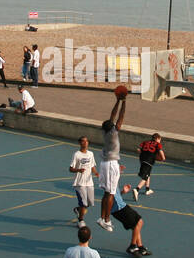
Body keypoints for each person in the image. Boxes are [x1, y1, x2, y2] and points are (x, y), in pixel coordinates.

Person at [97, 94, 127, 232]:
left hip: (105, 163)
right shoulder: (114, 133)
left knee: (106, 193)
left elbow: (112, 115)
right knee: (110, 193)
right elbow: (120, 117)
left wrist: (117, 100)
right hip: (110, 164)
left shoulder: (106, 131)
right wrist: (124, 101)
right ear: (112, 127)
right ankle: (107, 220)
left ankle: (102, 218)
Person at [112, 184, 151, 257]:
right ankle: (132, 246)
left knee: (135, 226)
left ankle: (140, 247)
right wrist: (105, 217)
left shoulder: (114, 179)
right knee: (139, 222)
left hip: (120, 206)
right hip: (119, 208)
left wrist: (122, 192)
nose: (121, 171)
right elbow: (108, 197)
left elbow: (115, 196)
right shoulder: (110, 180)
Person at [70, 136, 96, 226]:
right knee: (83, 203)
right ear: (80, 143)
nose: (85, 143)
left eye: (86, 141)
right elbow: (71, 169)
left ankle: (78, 209)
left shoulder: (91, 154)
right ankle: (80, 220)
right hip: (80, 183)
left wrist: (97, 173)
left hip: (89, 182)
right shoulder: (76, 154)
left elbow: (92, 166)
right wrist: (78, 170)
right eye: (83, 141)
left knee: (90, 202)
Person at [131, 133, 165, 200]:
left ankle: (147, 189)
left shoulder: (145, 142)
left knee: (147, 174)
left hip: (142, 159)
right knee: (145, 177)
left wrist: (144, 153)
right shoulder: (158, 144)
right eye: (160, 139)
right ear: (157, 138)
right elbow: (162, 154)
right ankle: (137, 189)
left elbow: (138, 149)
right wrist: (162, 158)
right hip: (149, 161)